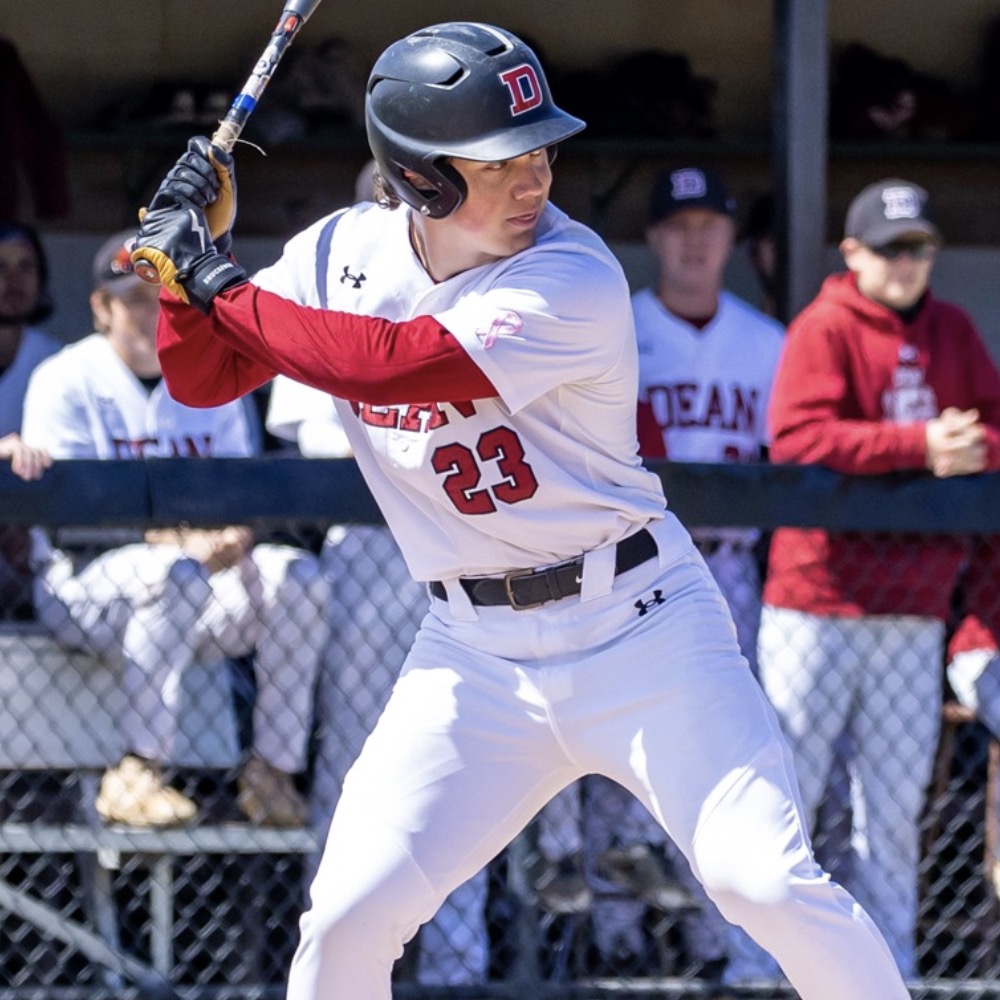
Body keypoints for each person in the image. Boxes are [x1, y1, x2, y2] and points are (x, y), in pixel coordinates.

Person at [131, 22, 911, 999]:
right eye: (503, 159)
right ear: (420, 178)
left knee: (763, 882)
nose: (535, 175)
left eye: (541, 148)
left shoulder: (572, 273)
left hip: (642, 630)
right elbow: (202, 375)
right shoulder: (339, 252)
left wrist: (213, 276)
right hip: (473, 653)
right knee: (345, 914)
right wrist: (178, 279)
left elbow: (394, 361)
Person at [758, 178, 1000, 979]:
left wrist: (963, 448)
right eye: (891, 248)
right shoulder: (823, 326)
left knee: (891, 820)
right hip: (816, 603)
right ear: (854, 252)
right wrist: (917, 446)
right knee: (785, 807)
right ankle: (755, 972)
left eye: (920, 247)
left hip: (914, 608)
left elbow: (989, 433)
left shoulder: (954, 331)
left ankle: (882, 975)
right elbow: (795, 438)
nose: (907, 262)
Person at [20, 231, 329, 828]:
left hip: (198, 584)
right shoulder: (66, 377)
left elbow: (243, 495)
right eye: (131, 299)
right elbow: (70, 526)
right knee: (174, 572)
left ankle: (271, 771)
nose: (147, 311)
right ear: (100, 308)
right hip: (85, 590)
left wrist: (236, 532)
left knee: (299, 576)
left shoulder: (207, 377)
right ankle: (139, 770)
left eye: (157, 296)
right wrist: (183, 541)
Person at [583, 165, 784, 978]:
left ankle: (714, 945)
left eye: (711, 223)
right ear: (655, 238)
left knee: (726, 756)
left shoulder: (768, 343)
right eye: (680, 225)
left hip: (734, 570)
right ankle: (614, 941)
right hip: (628, 571)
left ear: (732, 238)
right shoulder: (617, 330)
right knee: (612, 758)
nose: (696, 239)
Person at [266, 376, 491, 987]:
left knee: (471, 764)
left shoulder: (471, 287)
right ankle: (334, 968)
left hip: (465, 546)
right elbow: (316, 438)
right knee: (351, 762)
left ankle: (455, 971)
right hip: (369, 547)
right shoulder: (327, 285)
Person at [0, 223, 58, 618]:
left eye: (26, 267)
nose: (13, 280)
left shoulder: (59, 361)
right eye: (0, 267)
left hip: (30, 527)